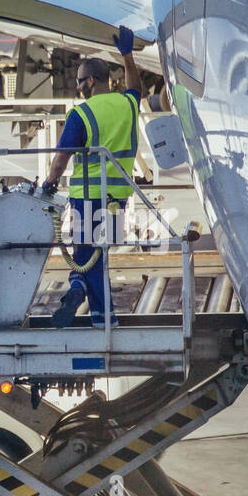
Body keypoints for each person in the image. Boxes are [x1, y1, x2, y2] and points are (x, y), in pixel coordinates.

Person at [42, 25, 144, 328]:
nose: (78, 87)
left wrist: (48, 184)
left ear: (89, 81)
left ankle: (83, 297)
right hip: (117, 200)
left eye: (79, 81)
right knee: (94, 257)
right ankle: (95, 308)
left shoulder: (81, 114)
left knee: (88, 257)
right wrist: (127, 56)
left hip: (87, 199)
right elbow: (136, 87)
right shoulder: (127, 105)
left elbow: (62, 158)